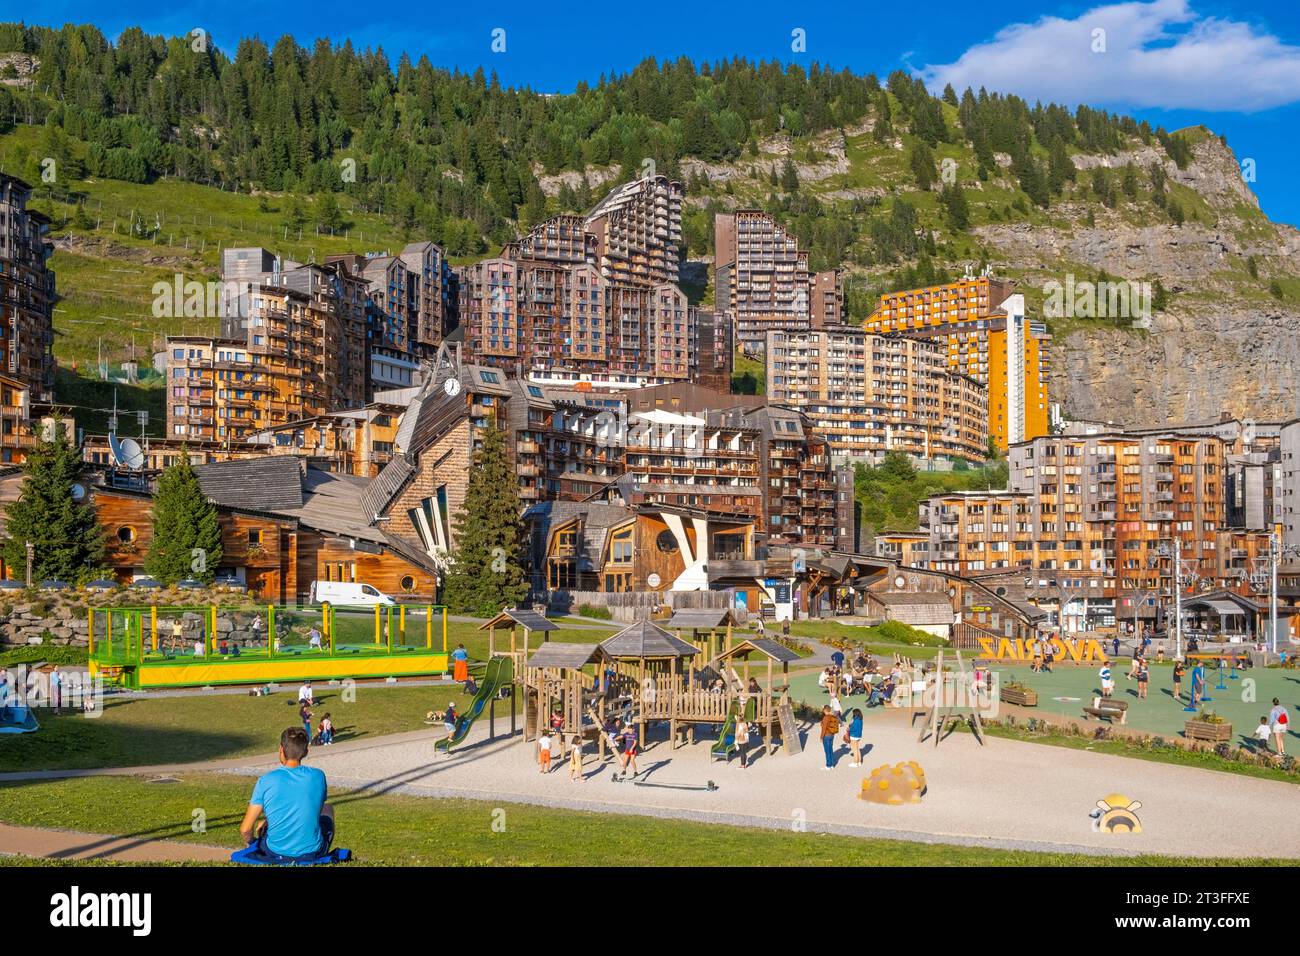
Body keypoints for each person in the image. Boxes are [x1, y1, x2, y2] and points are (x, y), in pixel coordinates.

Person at [239, 727, 334, 860]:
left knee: (262, 830)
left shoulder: (266, 780)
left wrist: (252, 843)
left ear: (281, 749)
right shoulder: (318, 776)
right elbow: (310, 811)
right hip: (312, 851)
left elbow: (245, 829)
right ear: (306, 751)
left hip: (275, 851)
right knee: (327, 808)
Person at [819, 705, 839, 770]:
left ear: (825, 710)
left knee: (827, 751)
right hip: (832, 735)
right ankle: (832, 765)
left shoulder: (825, 717)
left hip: (826, 735)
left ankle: (828, 765)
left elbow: (824, 728)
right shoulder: (832, 716)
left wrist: (821, 737)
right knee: (830, 750)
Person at [734, 699, 751, 768]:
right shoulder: (744, 724)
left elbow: (738, 733)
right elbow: (746, 732)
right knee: (744, 751)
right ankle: (744, 763)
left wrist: (736, 740)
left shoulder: (739, 725)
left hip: (741, 739)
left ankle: (743, 765)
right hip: (745, 739)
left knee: (742, 752)